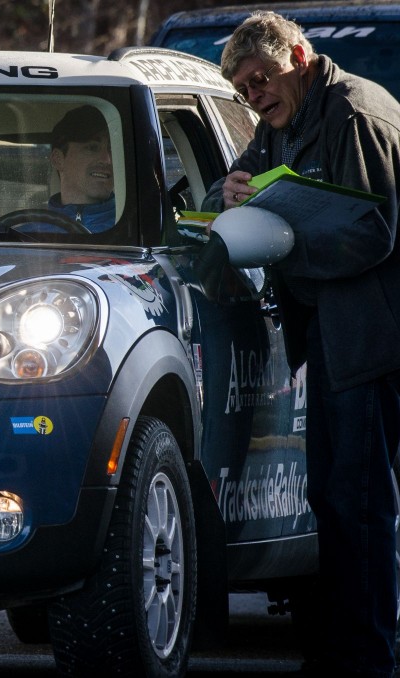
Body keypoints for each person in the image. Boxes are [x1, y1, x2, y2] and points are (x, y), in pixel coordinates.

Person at [202, 11, 400, 676]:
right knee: (330, 497)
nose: (255, 94)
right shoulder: (275, 126)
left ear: (300, 55)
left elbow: (373, 233)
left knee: (362, 500)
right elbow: (227, 192)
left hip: (373, 339)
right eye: (244, 89)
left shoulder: (356, 116)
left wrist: (284, 243)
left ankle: (369, 655)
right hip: (328, 340)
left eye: (262, 77)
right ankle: (334, 649)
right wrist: (226, 193)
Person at [43, 105, 115, 232]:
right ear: (58, 160)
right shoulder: (28, 235)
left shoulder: (137, 229)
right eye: (92, 148)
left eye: (111, 149)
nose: (107, 160)